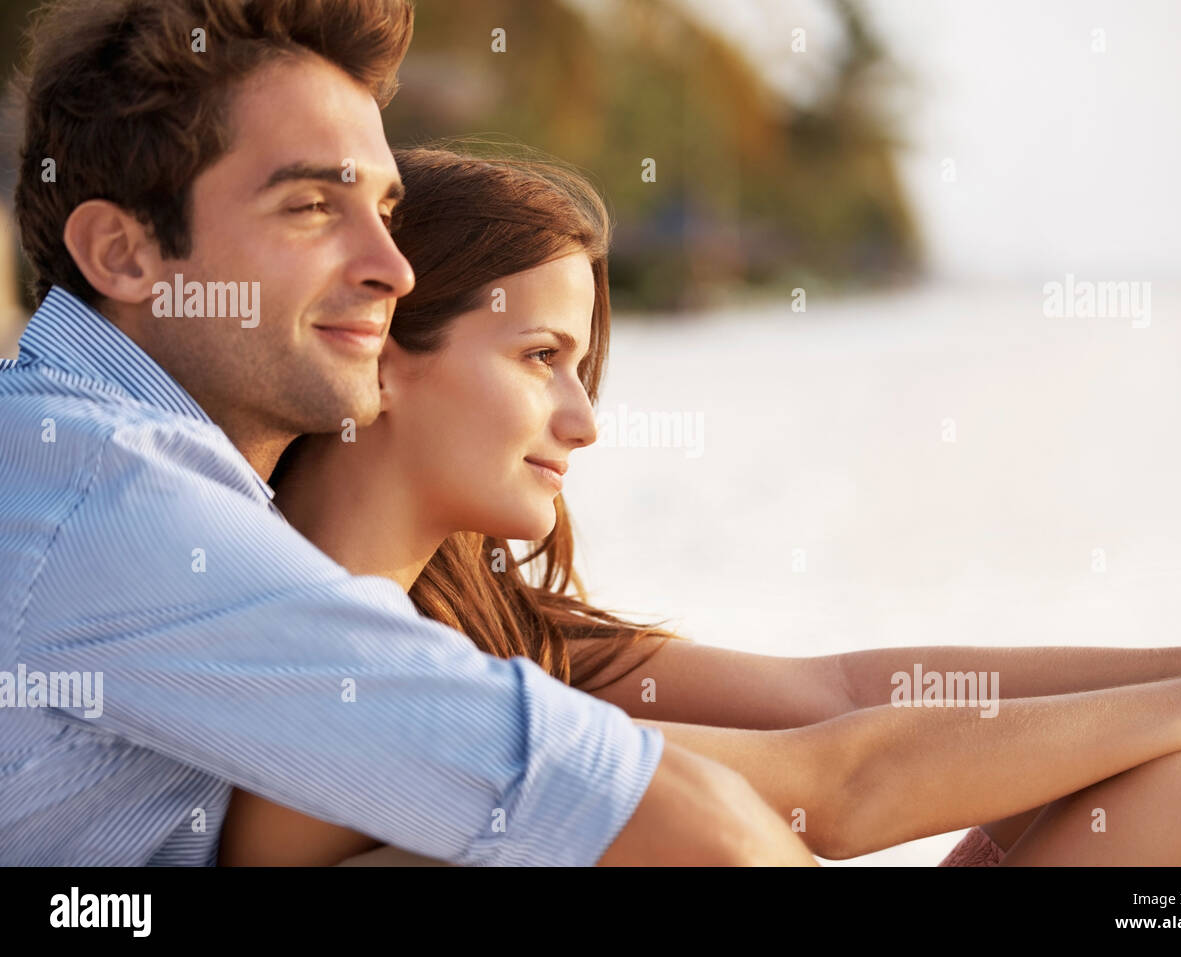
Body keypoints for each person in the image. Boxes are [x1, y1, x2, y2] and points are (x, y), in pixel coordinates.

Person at [217, 145, 1181, 866]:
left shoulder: (503, 640)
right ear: (380, 353)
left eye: (582, 368)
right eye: (539, 357)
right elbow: (836, 783)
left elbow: (833, 692)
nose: (583, 422)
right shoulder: (334, 681)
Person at [0, 0, 817, 866]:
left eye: (385, 211)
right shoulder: (106, 497)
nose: (394, 269)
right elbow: (664, 818)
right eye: (312, 204)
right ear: (124, 256)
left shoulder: (77, 465)